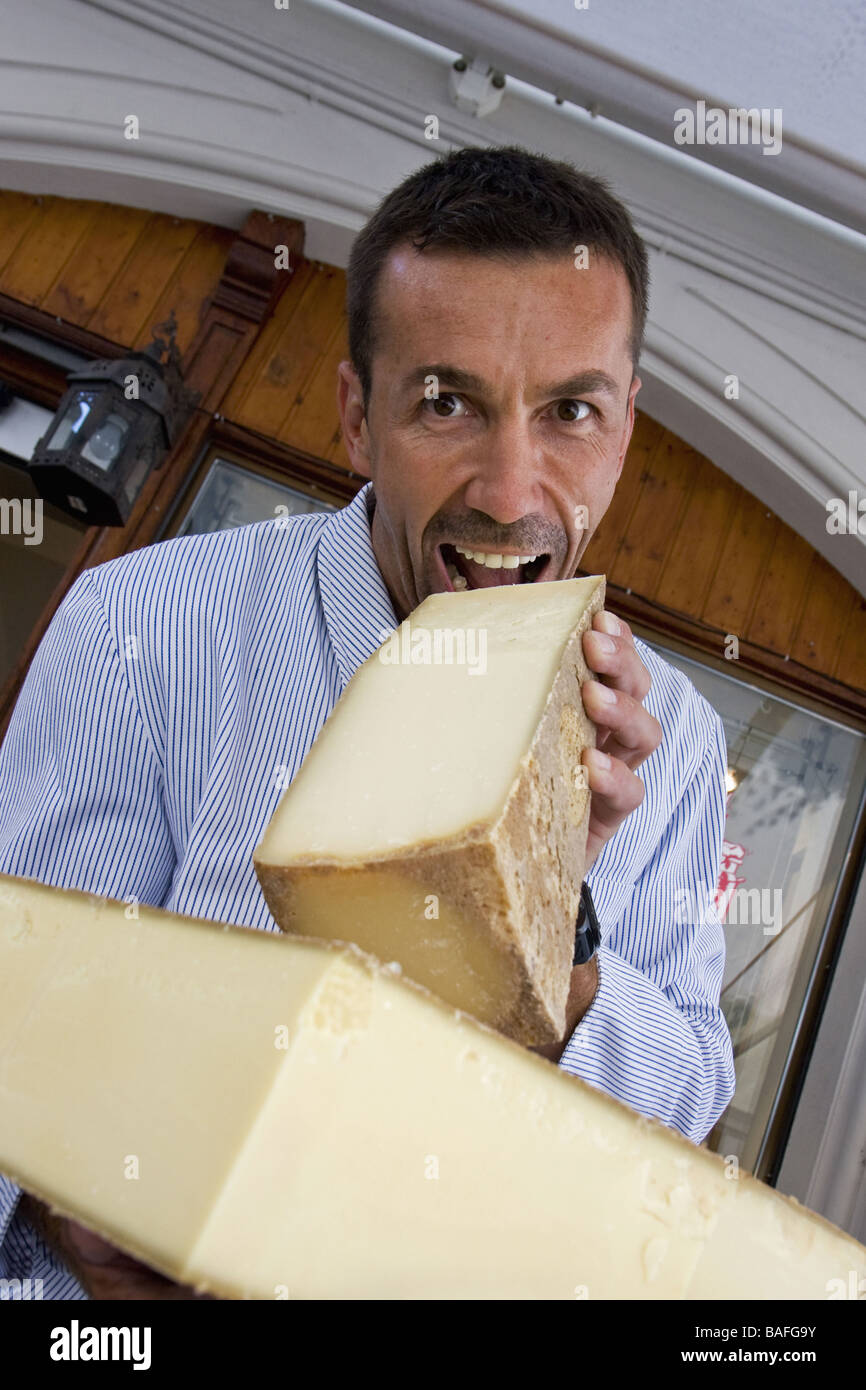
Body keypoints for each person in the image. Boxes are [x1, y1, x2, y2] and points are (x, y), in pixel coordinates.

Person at [0, 145, 735, 1300]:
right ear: (355, 416)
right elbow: (18, 1041)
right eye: (446, 403)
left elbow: (684, 1102)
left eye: (569, 412)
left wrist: (554, 921)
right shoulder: (146, 623)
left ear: (624, 426)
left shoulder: (675, 740)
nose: (508, 487)